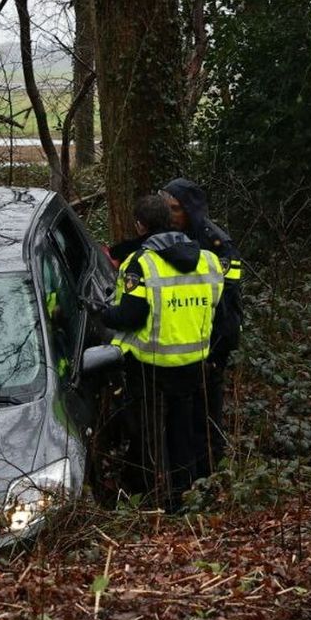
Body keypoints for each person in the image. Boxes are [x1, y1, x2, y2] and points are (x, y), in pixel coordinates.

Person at [101, 194, 225, 512]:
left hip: (151, 365)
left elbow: (131, 317)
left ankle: (161, 500)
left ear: (140, 225)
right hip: (194, 362)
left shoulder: (140, 264)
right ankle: (188, 493)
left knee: (153, 435)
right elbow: (218, 308)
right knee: (184, 430)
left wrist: (101, 312)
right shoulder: (208, 259)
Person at [159, 178, 242, 478]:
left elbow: (226, 301)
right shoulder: (170, 235)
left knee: (207, 416)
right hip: (185, 343)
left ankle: (211, 475)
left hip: (212, 342)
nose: (171, 215)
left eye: (176, 210)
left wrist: (216, 349)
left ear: (190, 211)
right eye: (167, 209)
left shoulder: (216, 244)